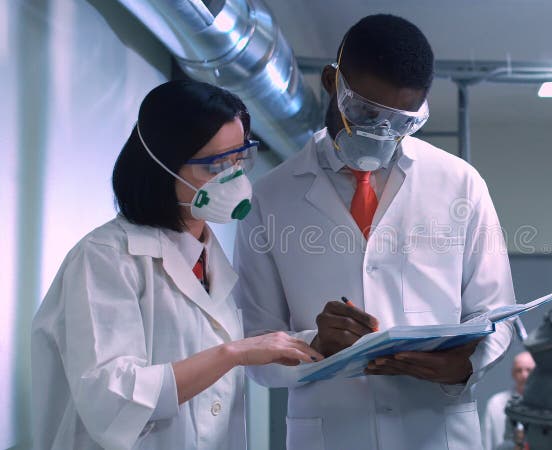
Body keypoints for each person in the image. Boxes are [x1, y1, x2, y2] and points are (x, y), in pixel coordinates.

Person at [234, 14, 515, 450]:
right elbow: (253, 351)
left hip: (436, 431)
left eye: (400, 122)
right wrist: (315, 343)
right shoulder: (269, 199)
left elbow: (498, 314)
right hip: (332, 434)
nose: (380, 132)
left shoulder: (460, 184)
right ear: (332, 82)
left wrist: (465, 365)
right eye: (365, 111)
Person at [30, 80, 322, 450]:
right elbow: (112, 397)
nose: (233, 178)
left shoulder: (209, 258)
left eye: (239, 158)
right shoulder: (105, 258)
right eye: (215, 165)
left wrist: (318, 342)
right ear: (163, 167)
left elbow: (240, 350)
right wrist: (233, 353)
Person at [482, 352, 536, 450]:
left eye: (529, 370)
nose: (524, 375)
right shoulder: (496, 404)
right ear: (513, 373)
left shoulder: (547, 405)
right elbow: (487, 442)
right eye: (519, 370)